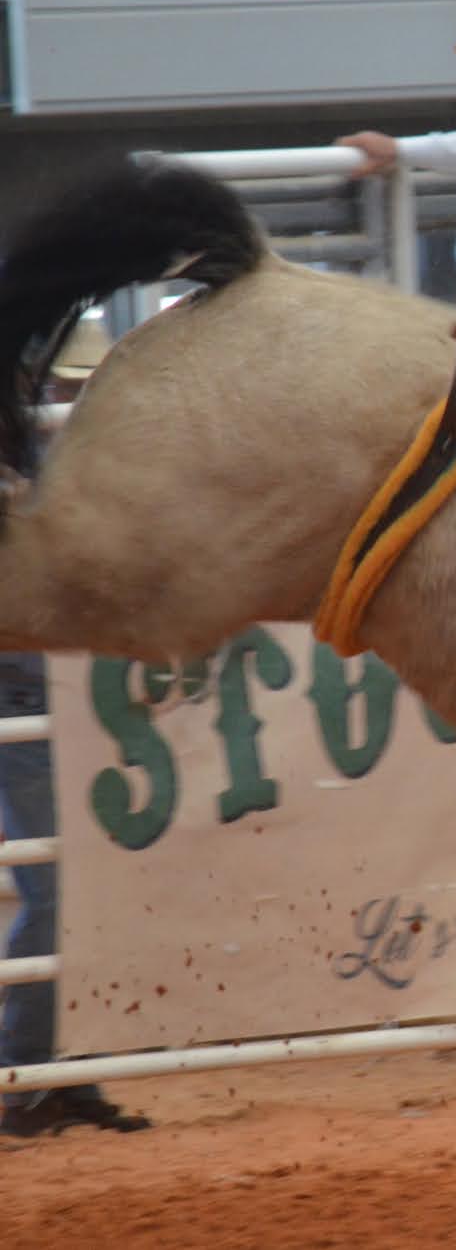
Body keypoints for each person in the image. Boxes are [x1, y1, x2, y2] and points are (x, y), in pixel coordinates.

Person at [1, 328, 152, 1139]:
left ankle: (69, 1069)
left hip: (57, 675)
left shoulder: (55, 454)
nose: (69, 398)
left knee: (83, 879)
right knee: (55, 879)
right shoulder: (35, 455)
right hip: (23, 674)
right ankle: (25, 1079)